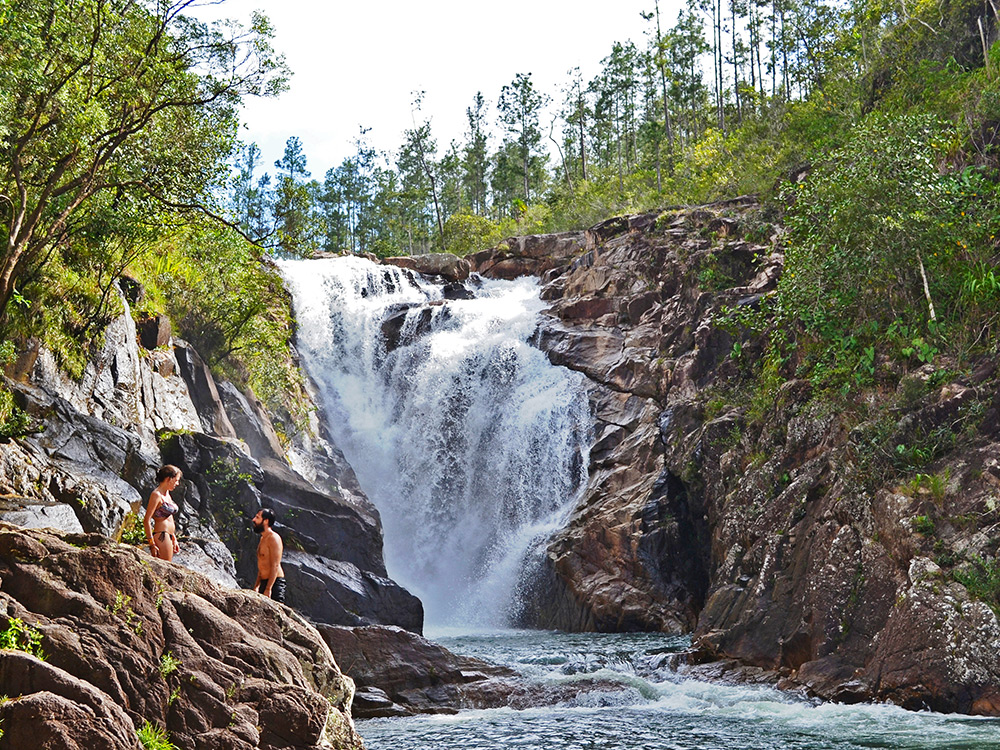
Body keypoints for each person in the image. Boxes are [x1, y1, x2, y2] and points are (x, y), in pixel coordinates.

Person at [144, 465, 182, 561]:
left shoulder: (167, 494)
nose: (177, 483)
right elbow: (147, 520)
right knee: (166, 568)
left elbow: (169, 517)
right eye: (176, 480)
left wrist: (174, 537)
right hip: (161, 535)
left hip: (168, 535)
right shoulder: (156, 495)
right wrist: (152, 544)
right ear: (169, 479)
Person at [252, 508, 285, 603]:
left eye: (257, 517)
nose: (253, 520)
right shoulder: (263, 538)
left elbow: (275, 565)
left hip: (275, 584)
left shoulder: (274, 538)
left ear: (265, 521)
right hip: (264, 582)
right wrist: (257, 586)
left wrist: (268, 589)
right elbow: (262, 564)